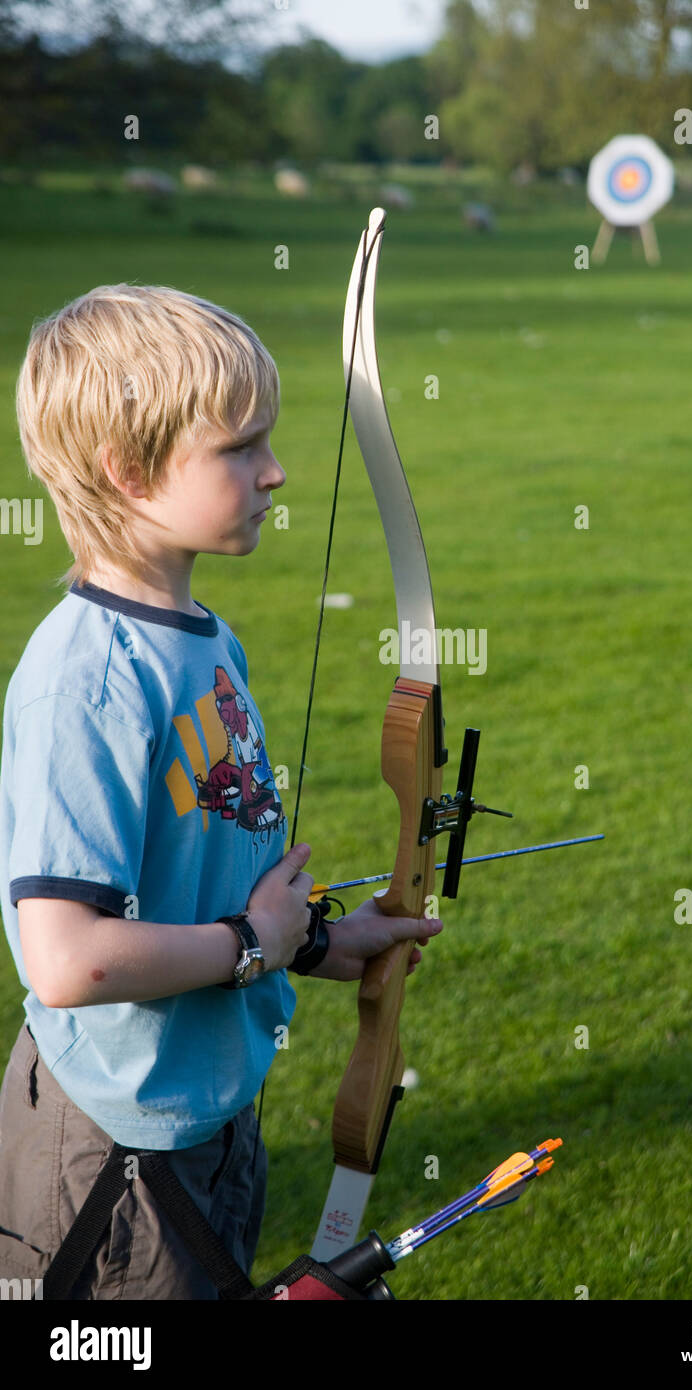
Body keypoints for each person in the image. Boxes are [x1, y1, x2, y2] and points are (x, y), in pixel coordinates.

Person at [0, 283, 441, 1298]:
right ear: (130, 471)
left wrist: (323, 941)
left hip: (201, 1110)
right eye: (240, 447)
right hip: (117, 1140)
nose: (274, 471)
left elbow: (211, 867)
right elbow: (65, 960)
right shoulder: (92, 679)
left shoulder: (203, 638)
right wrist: (253, 945)